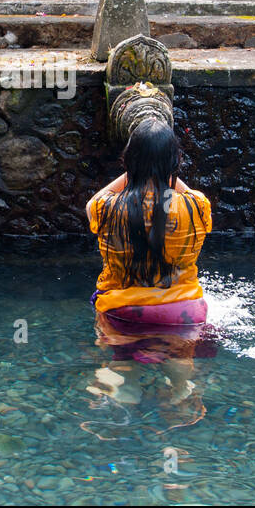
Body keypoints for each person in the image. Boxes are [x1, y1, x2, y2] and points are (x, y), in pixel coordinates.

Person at [84, 119, 213, 410]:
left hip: (127, 314)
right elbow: (186, 192)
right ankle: (180, 391)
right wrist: (164, 171)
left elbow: (92, 203)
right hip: (182, 314)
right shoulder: (196, 205)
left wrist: (137, 172)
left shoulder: (109, 208)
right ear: (175, 161)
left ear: (127, 161)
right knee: (180, 359)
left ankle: (126, 389)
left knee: (122, 361)